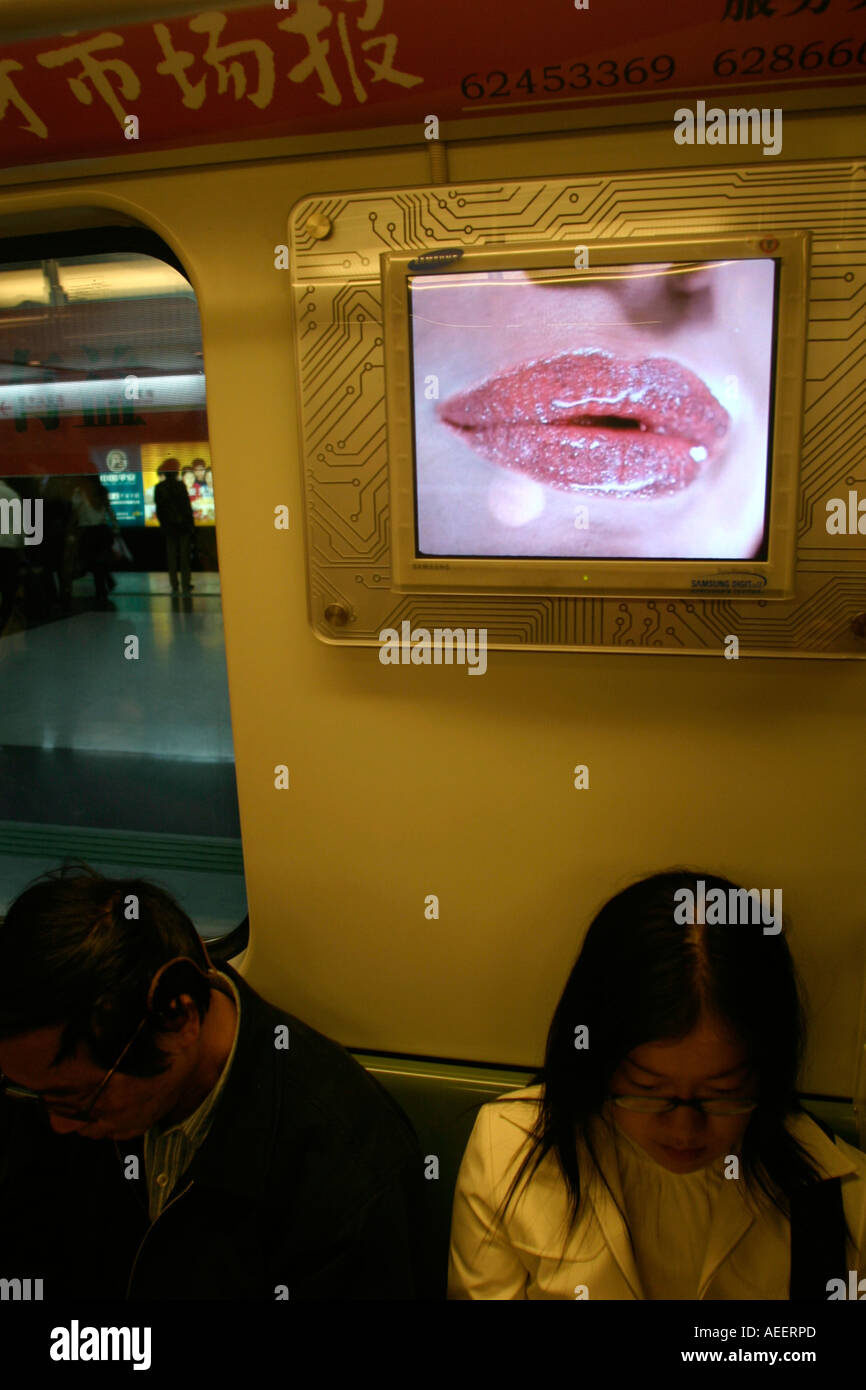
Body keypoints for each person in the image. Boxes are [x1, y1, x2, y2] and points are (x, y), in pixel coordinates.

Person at [0, 866, 429, 1300]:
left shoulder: (342, 1165)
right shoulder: (57, 1090)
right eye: (36, 1094)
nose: (59, 1124)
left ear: (178, 1018)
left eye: (78, 1100)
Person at [448, 870, 866, 1300]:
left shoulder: (842, 1199)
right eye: (648, 1090)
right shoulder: (508, 1148)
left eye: (721, 1095)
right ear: (598, 1059)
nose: (684, 1130)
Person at [71, 476, 117, 604]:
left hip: (86, 532)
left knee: (92, 562)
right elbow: (110, 511)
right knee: (99, 562)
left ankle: (102, 589)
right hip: (102, 531)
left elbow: (75, 512)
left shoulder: (79, 493)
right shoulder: (101, 492)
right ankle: (103, 587)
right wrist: (115, 528)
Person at [153, 458, 195, 595]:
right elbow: (187, 507)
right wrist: (190, 524)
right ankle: (185, 583)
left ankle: (174, 584)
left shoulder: (159, 487)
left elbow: (159, 509)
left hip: (169, 526)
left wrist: (163, 524)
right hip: (183, 526)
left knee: (171, 556)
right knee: (184, 556)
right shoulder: (180, 486)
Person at [0, 477, 24, 634]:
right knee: (8, 588)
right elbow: (19, 527)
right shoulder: (12, 494)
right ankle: (2, 622)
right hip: (8, 548)